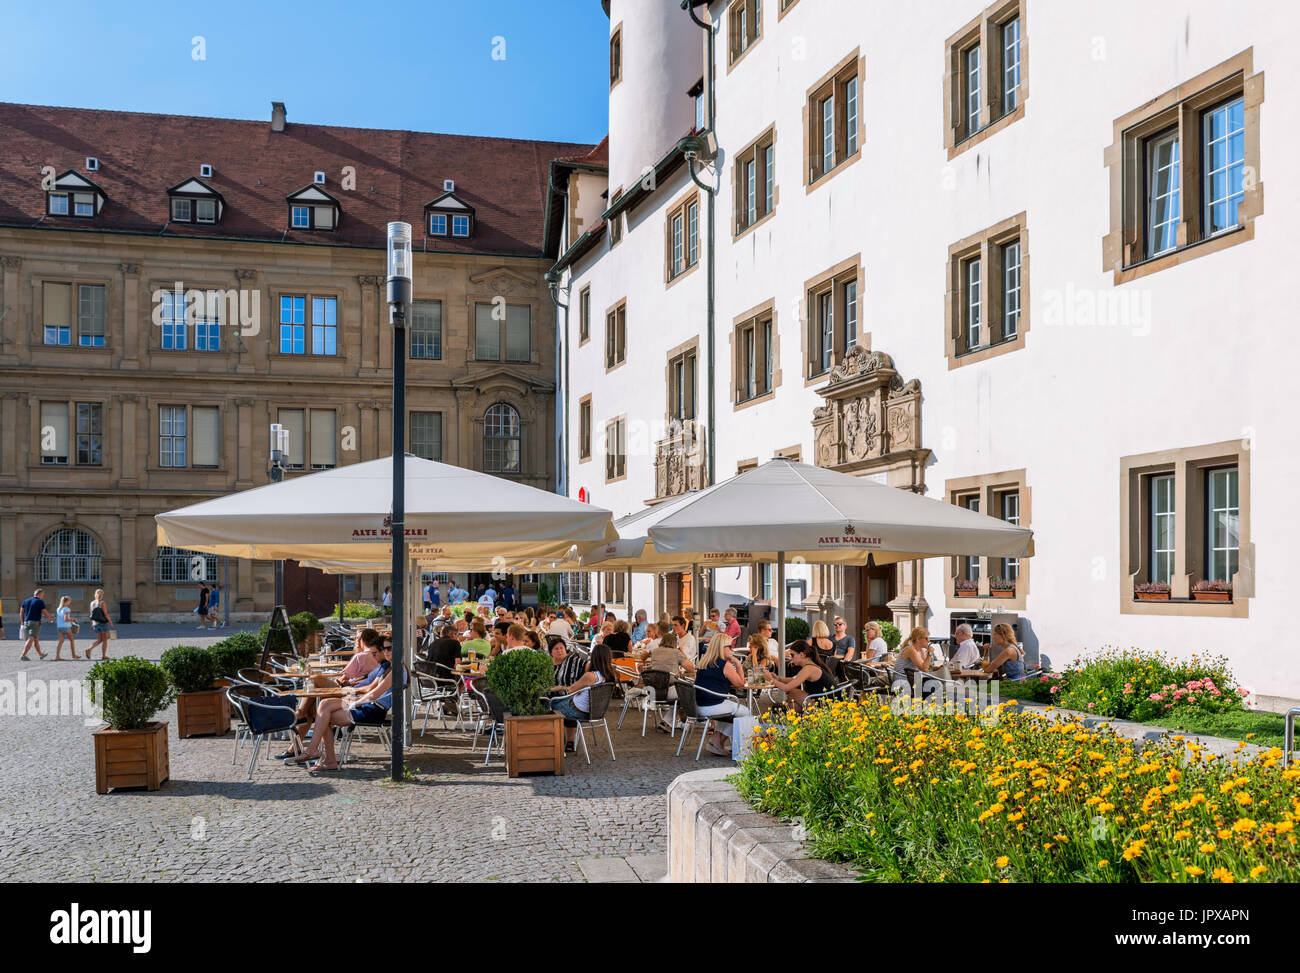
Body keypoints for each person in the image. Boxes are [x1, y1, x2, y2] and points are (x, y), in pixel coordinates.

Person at [295, 639, 400, 771]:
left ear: (398, 648)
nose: (386, 652)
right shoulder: (390, 667)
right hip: (367, 705)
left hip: (372, 710)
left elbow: (375, 694)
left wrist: (354, 702)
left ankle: (319, 754)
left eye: (389, 648)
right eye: (384, 649)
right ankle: (321, 755)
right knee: (321, 709)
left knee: (322, 712)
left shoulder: (397, 669)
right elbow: (372, 690)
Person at [545, 642, 617, 752]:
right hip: (596, 712)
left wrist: (553, 688)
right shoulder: (611, 675)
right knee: (557, 704)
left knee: (548, 706)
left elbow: (571, 689)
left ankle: (551, 744)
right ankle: (566, 741)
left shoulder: (590, 676)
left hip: (578, 710)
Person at [694, 634, 750, 756]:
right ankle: (730, 745)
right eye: (729, 646)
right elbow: (741, 683)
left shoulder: (704, 662)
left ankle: (716, 740)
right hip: (712, 705)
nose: (732, 649)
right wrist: (738, 664)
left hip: (698, 705)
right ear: (721, 647)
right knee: (745, 712)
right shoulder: (725, 665)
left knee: (732, 709)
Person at [763, 639, 834, 714]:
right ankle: (788, 713)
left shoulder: (809, 669)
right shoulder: (809, 667)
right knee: (793, 705)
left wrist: (771, 679)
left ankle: (786, 711)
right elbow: (795, 680)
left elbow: (786, 688)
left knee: (793, 692)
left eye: (792, 655)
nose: (791, 658)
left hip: (828, 706)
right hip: (821, 702)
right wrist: (778, 678)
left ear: (802, 655)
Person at [892, 627, 946, 698]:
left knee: (935, 683)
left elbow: (926, 668)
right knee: (935, 685)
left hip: (911, 680)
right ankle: (924, 706)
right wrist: (930, 653)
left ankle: (927, 705)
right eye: (926, 638)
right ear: (918, 639)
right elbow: (924, 669)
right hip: (903, 682)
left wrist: (937, 668)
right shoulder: (910, 650)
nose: (929, 640)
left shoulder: (920, 651)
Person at [20, 588, 54, 660]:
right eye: (42, 595)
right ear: (40, 594)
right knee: (32, 637)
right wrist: (50, 618)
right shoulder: (40, 601)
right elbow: (44, 611)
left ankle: (41, 655)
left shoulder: (26, 601)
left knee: (36, 639)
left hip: (26, 622)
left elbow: (21, 612)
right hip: (35, 622)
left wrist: (22, 622)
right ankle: (23, 655)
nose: (43, 597)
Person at [85, 588, 115, 660]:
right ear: (102, 595)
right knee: (104, 640)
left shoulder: (92, 603)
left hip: (95, 623)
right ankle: (104, 656)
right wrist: (111, 622)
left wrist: (92, 624)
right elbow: (106, 614)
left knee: (99, 640)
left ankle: (89, 649)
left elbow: (91, 614)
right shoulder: (102, 602)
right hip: (103, 623)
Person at [55, 595, 79, 660]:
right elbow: (66, 619)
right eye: (69, 601)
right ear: (66, 602)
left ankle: (57, 656)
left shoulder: (58, 609)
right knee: (71, 640)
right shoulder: (67, 609)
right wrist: (73, 619)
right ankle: (73, 655)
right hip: (66, 627)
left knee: (61, 641)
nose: (70, 602)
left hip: (59, 626)